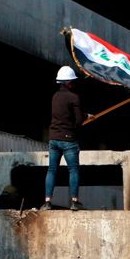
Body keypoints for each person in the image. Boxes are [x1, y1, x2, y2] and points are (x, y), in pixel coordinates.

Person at [43, 66, 85, 211]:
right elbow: (79, 120)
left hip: (53, 138)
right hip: (68, 140)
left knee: (52, 170)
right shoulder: (74, 97)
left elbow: (61, 115)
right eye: (72, 81)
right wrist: (86, 117)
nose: (73, 84)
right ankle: (74, 202)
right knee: (73, 170)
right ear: (68, 82)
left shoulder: (55, 97)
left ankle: (47, 202)